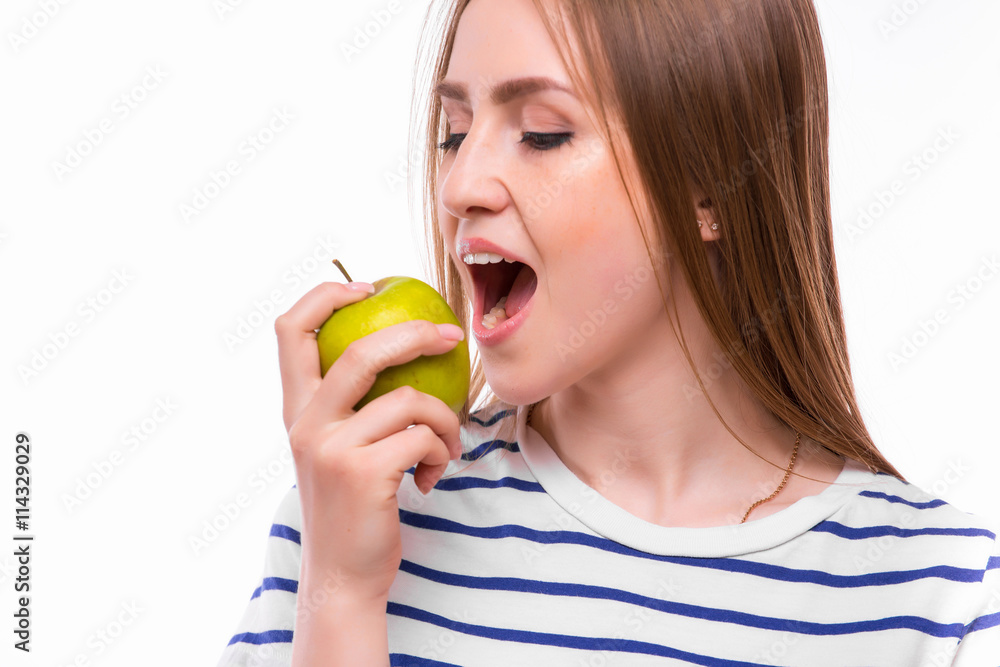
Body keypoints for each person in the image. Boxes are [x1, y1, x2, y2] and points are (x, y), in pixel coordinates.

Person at [215, 0, 1000, 664]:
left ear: (709, 185)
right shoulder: (348, 514)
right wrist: (343, 597)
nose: (458, 185)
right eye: (454, 131)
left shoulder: (939, 597)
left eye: (543, 133)